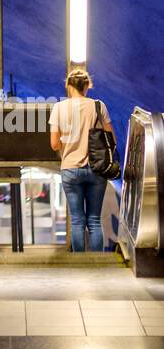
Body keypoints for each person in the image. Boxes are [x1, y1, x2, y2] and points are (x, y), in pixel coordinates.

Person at [49, 68, 113, 252]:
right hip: (96, 168)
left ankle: (79, 262)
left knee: (77, 220)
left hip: (70, 169)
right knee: (94, 220)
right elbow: (111, 139)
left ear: (68, 86)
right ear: (87, 85)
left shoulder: (58, 108)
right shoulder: (98, 106)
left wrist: (69, 141)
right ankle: (98, 262)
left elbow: (54, 144)